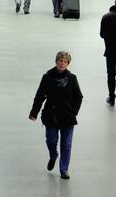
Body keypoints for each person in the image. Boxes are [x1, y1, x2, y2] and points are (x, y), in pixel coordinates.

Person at [29, 51, 84, 180]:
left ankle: (64, 170)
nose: (62, 64)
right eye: (60, 61)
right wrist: (34, 113)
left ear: (68, 64)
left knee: (66, 144)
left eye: (65, 62)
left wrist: (74, 111)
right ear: (56, 61)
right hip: (51, 115)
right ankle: (53, 155)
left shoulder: (72, 79)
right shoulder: (47, 77)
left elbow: (79, 97)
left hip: (67, 116)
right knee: (51, 140)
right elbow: (40, 96)